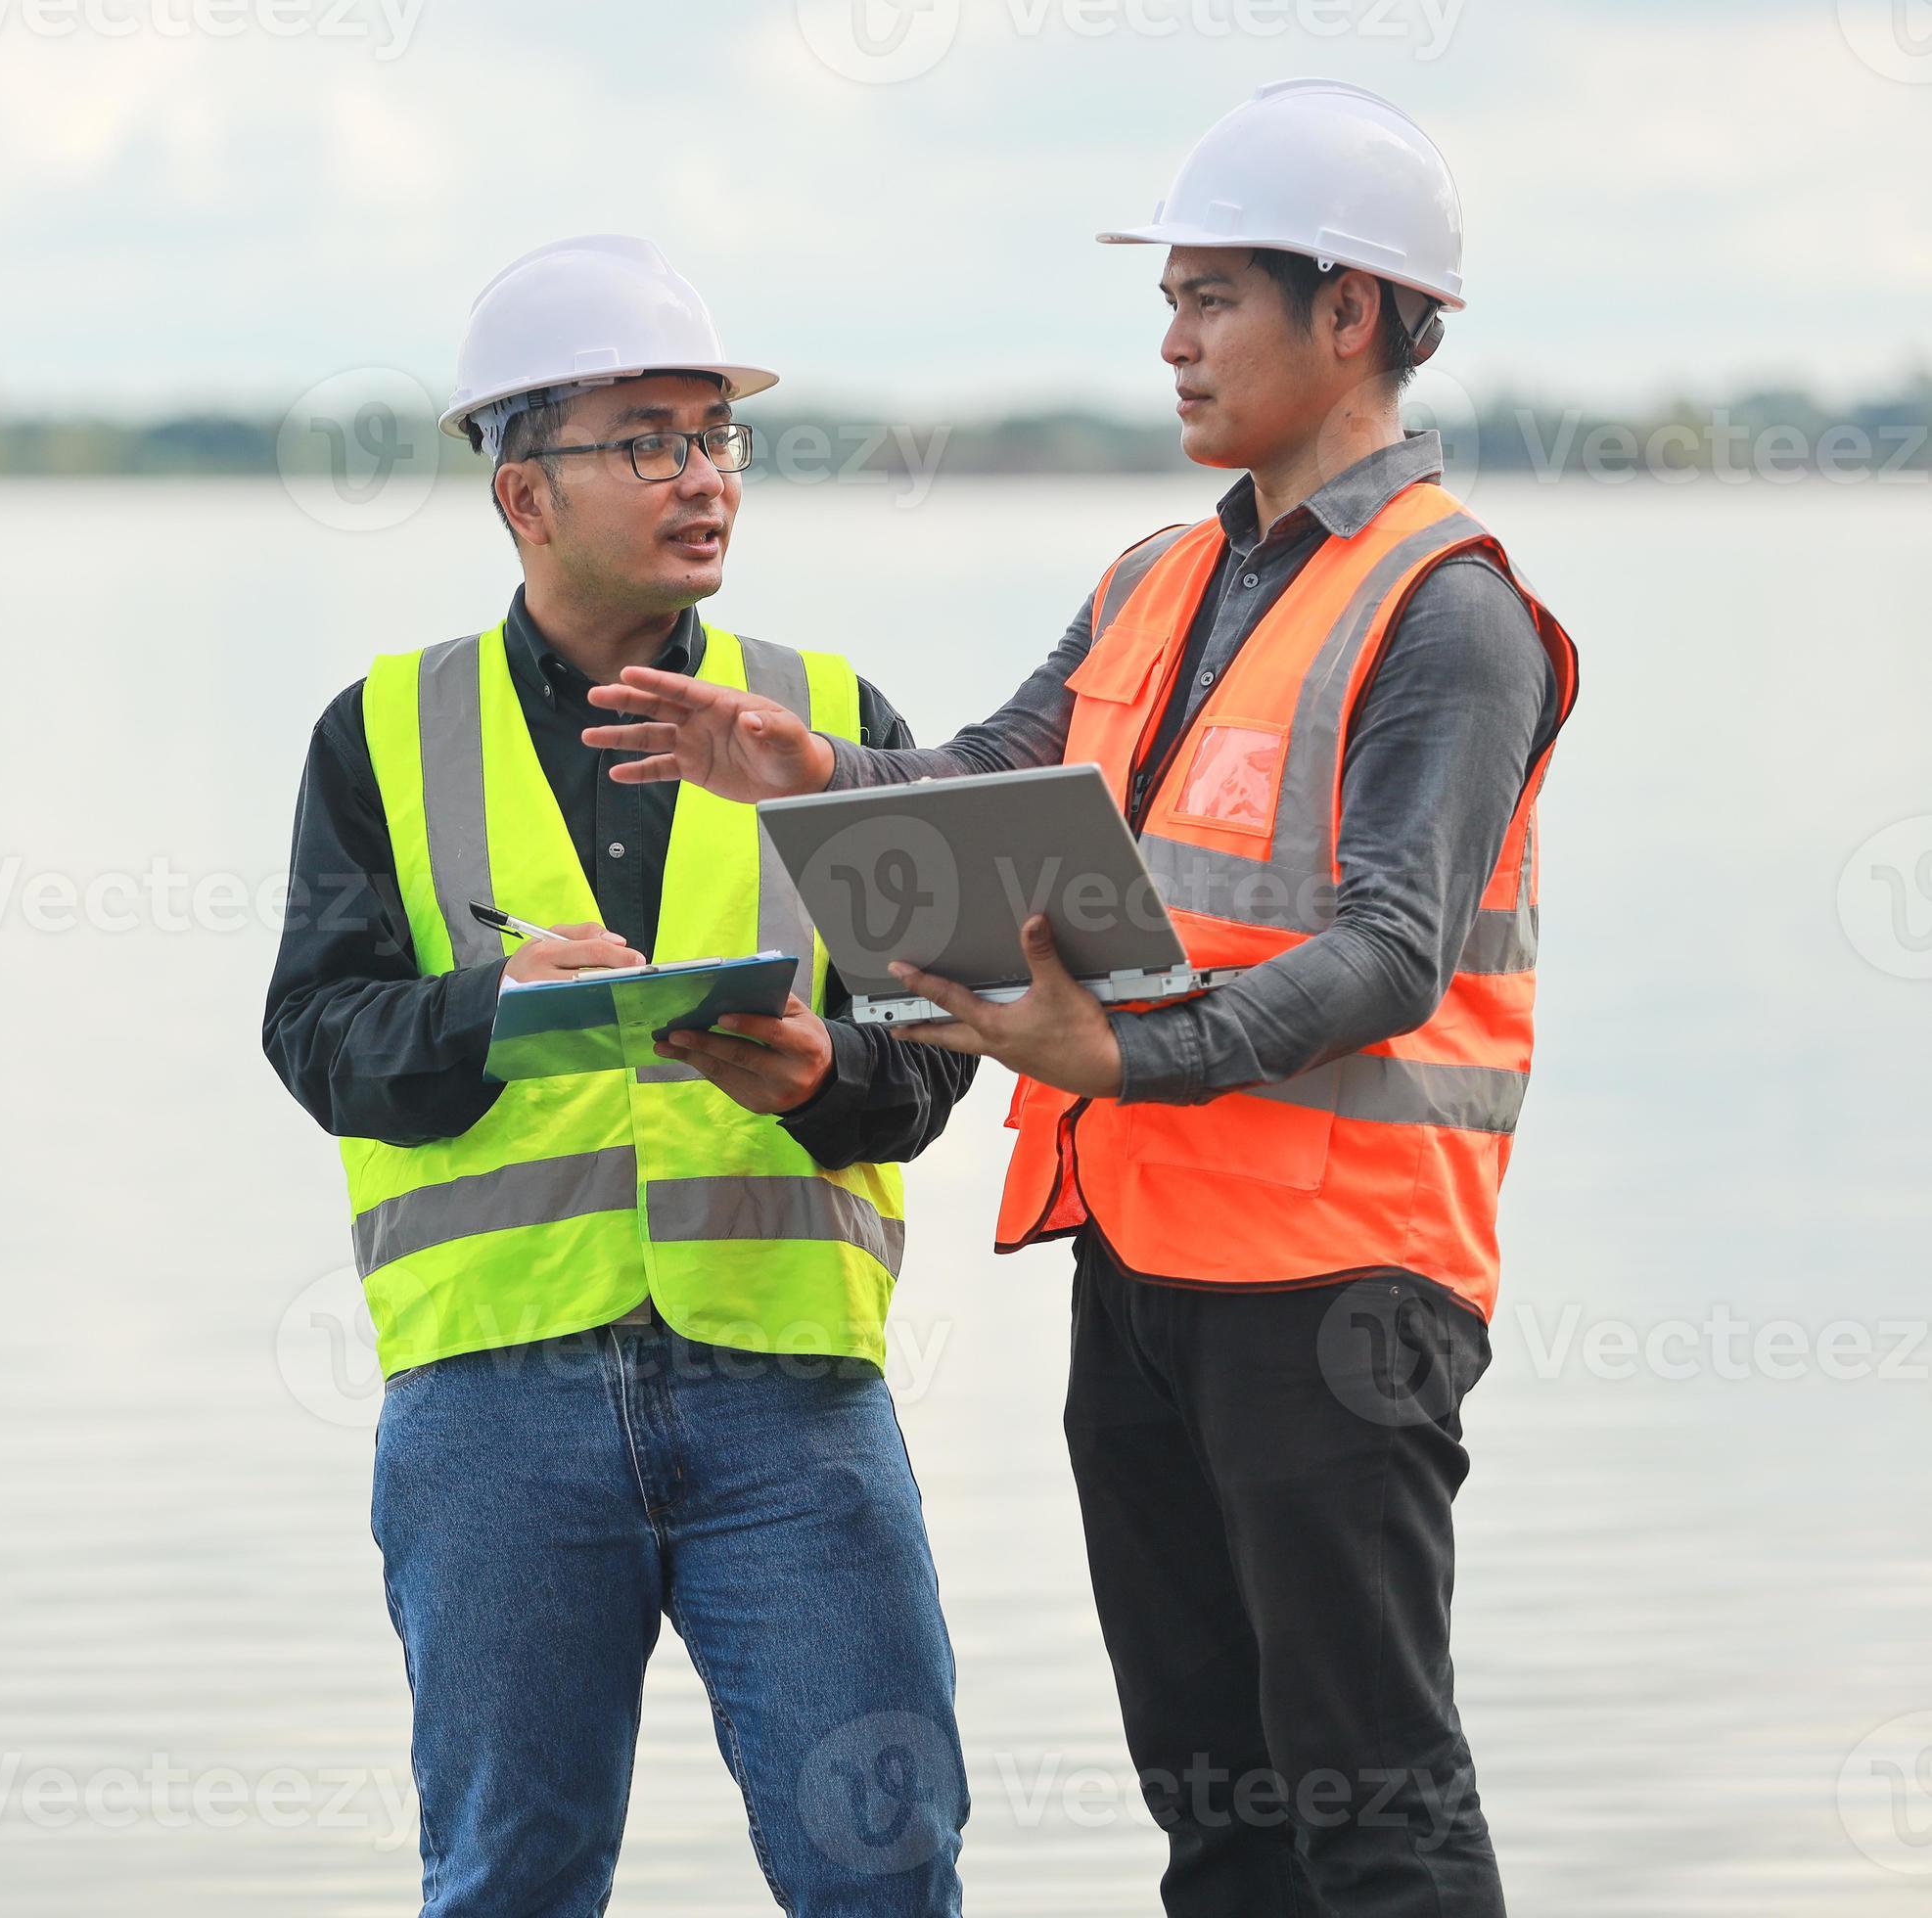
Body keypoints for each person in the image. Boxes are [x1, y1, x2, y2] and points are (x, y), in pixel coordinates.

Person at [581, 85, 1577, 1918]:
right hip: (1143, 1265)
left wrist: (1129, 1049)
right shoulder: (1160, 573)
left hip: (1345, 1291)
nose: (1175, 340)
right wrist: (796, 774)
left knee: (1372, 1801)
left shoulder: (1450, 610)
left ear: (1351, 314)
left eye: (1212, 297)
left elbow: (1391, 949)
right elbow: (991, 780)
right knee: (1212, 1809)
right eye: (1170, 298)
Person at [261, 234, 978, 1914]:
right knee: (509, 1883)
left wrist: (816, 1075)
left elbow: (941, 1060)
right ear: (524, 494)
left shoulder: (832, 712)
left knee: (886, 1874)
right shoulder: (377, 731)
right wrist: (494, 1009)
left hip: (797, 1402)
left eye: (718, 438)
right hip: (493, 1404)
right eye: (649, 440)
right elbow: (319, 1039)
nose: (704, 480)